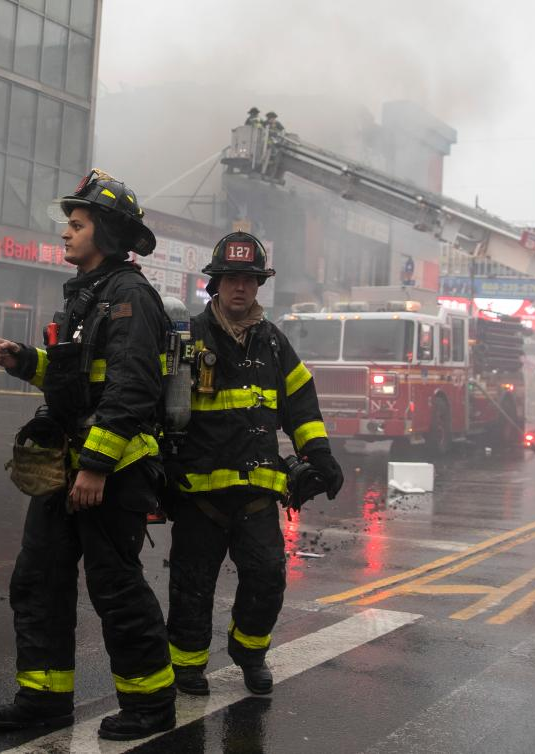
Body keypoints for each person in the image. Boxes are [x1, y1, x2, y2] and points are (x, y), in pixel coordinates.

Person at [0, 170, 176, 741]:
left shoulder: (130, 297)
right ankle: (43, 699)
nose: (66, 232)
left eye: (78, 223)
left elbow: (132, 389)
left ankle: (150, 704)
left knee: (115, 587)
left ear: (106, 234)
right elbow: (77, 381)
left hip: (111, 470)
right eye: (68, 222)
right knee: (38, 580)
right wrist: (26, 361)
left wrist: (95, 466)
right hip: (69, 467)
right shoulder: (88, 296)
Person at [165, 231, 343, 697]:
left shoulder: (273, 343)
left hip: (257, 492)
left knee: (266, 579)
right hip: (198, 492)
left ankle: (250, 655)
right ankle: (187, 665)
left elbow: (301, 403)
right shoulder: (188, 338)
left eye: (248, 279)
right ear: (215, 284)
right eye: (231, 279)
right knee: (191, 585)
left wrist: (319, 454)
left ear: (259, 285)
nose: (240, 287)